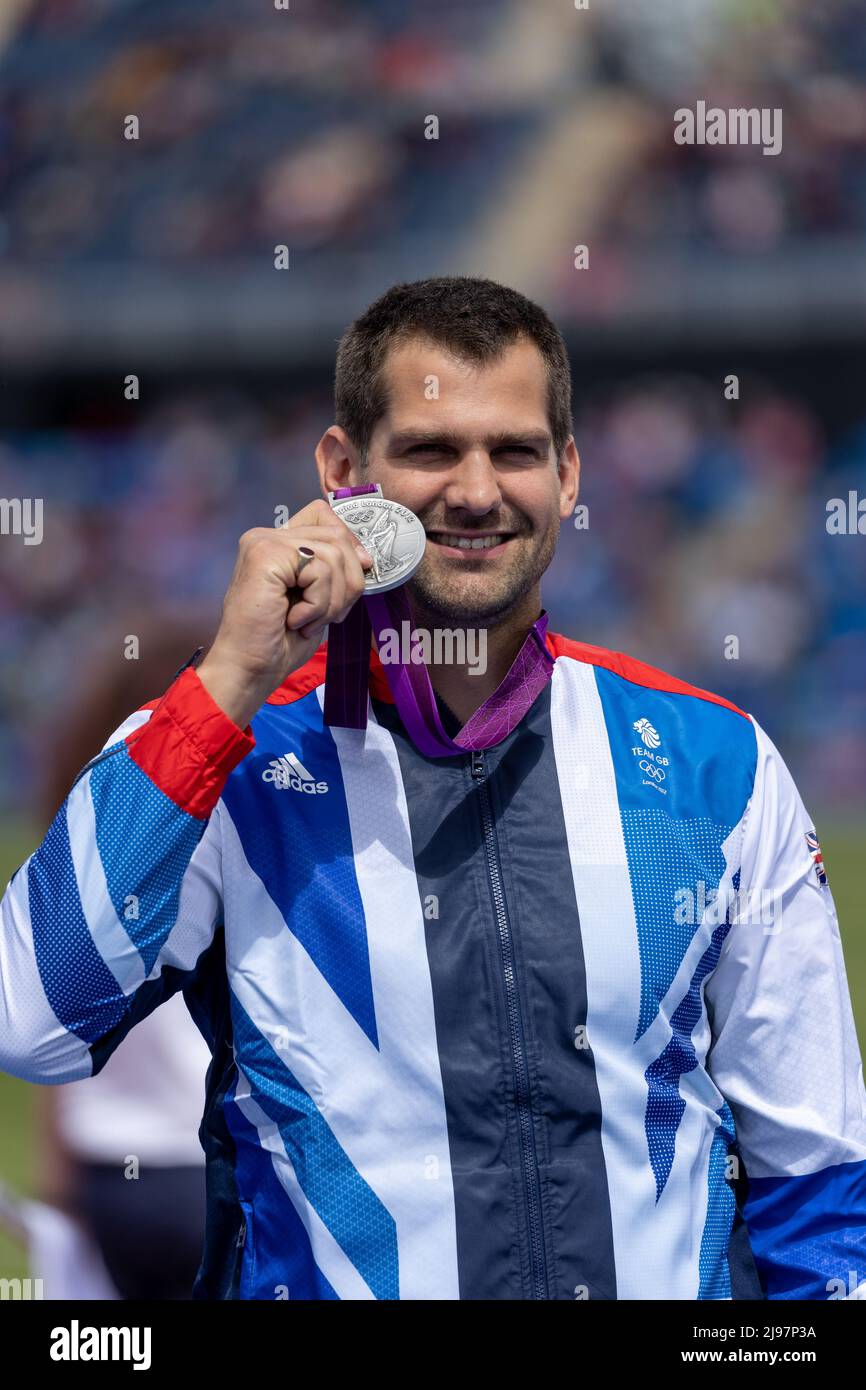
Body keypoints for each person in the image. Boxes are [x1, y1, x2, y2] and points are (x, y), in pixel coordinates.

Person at [1, 276, 864, 1300]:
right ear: (341, 474)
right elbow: (35, 1019)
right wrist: (229, 675)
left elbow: (815, 1184)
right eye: (427, 450)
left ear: (569, 473)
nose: (473, 489)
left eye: (513, 451)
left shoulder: (714, 764)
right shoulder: (232, 752)